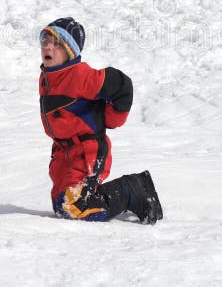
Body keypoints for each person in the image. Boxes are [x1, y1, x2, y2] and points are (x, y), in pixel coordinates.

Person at [38, 17, 163, 224]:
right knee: (62, 206)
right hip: (63, 152)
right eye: (45, 40)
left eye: (57, 43)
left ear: (70, 50)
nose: (48, 47)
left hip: (87, 151)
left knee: (75, 207)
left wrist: (111, 119)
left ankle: (132, 190)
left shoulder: (80, 75)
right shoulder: (47, 78)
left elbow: (122, 86)